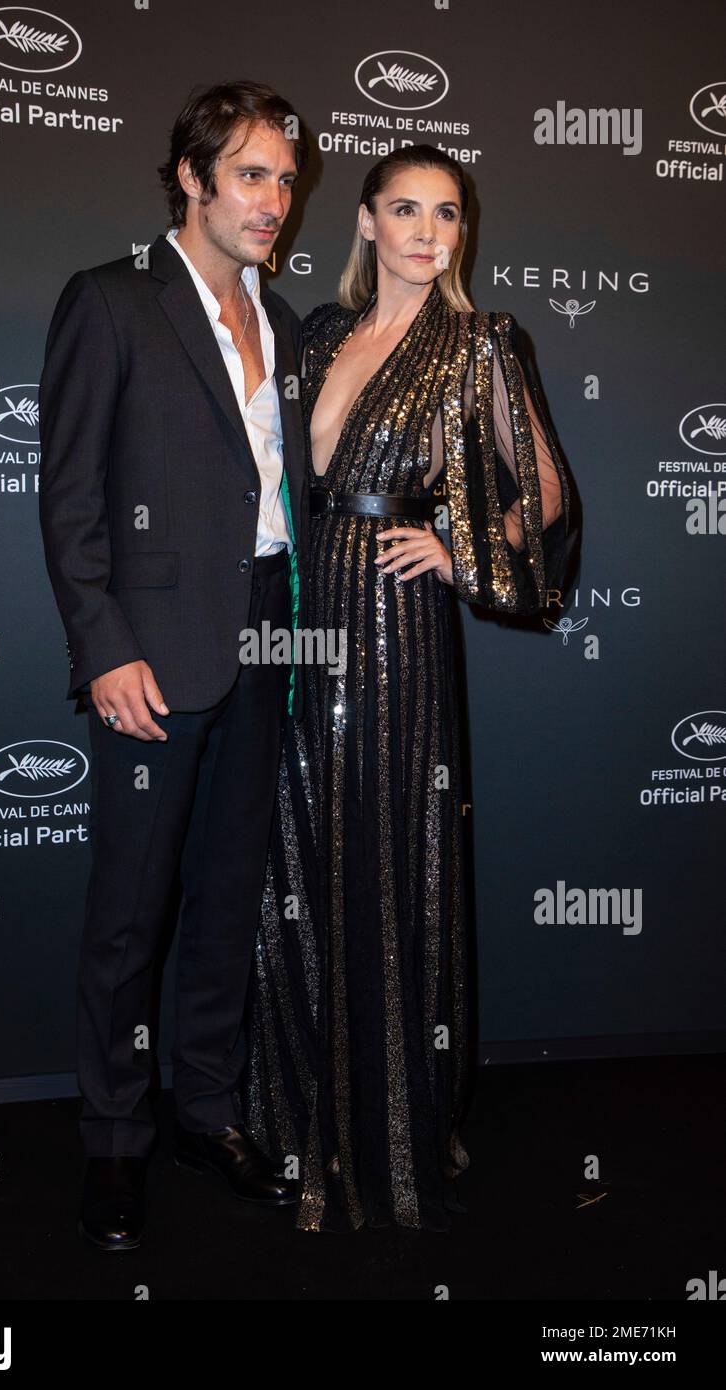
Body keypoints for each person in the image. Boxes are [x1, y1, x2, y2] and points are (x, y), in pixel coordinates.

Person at [242, 145, 578, 1233]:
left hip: (391, 632)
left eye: (445, 212)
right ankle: (302, 1123)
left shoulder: (479, 343)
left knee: (387, 858)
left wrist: (455, 547)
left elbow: (547, 498)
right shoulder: (321, 336)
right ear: (366, 222)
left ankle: (390, 1127)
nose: (427, 231)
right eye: (405, 209)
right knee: (300, 853)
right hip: (299, 618)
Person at [38, 80, 310, 1250]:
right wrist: (103, 646)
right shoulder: (109, 301)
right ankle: (112, 1139)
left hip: (266, 634)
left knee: (227, 897)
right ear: (191, 180)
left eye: (286, 179)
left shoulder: (285, 320)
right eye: (250, 174)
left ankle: (205, 1105)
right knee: (127, 914)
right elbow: (69, 497)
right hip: (153, 650)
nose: (274, 200)